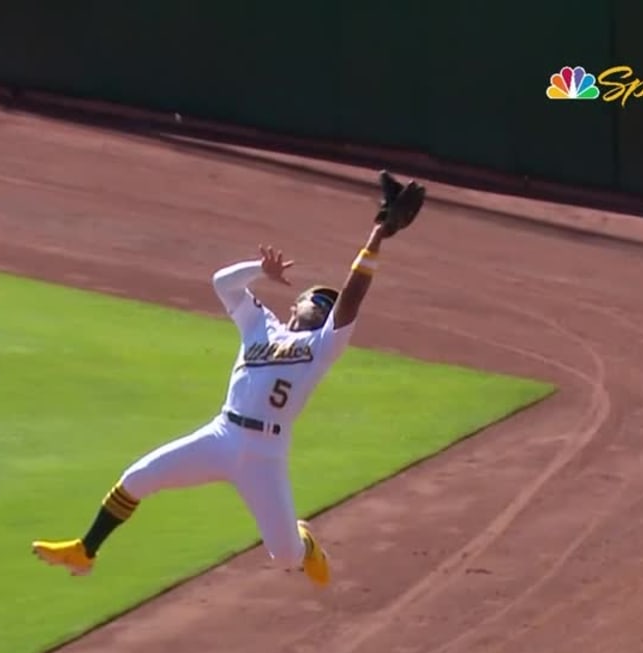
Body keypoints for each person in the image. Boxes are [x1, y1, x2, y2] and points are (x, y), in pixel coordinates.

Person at [31, 172, 426, 588]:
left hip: (265, 456)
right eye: (317, 300)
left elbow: (354, 295)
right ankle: (85, 550)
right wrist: (260, 269)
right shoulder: (260, 325)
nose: (324, 307)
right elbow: (222, 283)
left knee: (286, 556)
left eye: (327, 306)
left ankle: (305, 541)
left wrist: (378, 233)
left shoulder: (324, 346)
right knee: (137, 478)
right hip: (222, 435)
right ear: (296, 306)